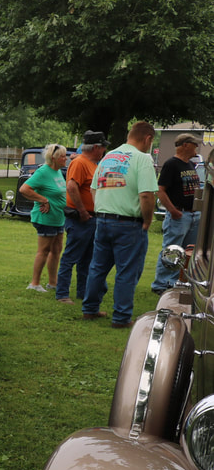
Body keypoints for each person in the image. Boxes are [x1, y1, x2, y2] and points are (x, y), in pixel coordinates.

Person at [81, 121, 158, 328]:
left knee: (97, 267)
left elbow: (94, 188)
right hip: (129, 224)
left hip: (103, 219)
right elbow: (146, 195)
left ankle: (90, 309)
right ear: (148, 139)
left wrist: (103, 209)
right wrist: (148, 220)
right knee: (127, 272)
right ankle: (122, 318)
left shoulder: (108, 157)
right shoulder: (142, 159)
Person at [55, 131, 108, 304]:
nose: (104, 150)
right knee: (71, 257)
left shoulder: (92, 163)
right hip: (81, 219)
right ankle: (62, 294)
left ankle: (82, 292)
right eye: (103, 147)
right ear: (95, 147)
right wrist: (83, 211)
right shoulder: (80, 163)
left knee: (87, 259)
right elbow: (71, 187)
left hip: (91, 219)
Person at [151, 133, 203, 295]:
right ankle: (161, 284)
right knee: (172, 249)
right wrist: (172, 210)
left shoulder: (189, 165)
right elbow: (160, 190)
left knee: (187, 251)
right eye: (194, 144)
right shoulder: (172, 164)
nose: (197, 148)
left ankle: (179, 281)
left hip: (193, 214)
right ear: (185, 145)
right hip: (179, 215)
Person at [20, 144, 69, 292]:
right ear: (53, 158)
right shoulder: (43, 171)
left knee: (57, 249)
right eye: (62, 156)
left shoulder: (58, 172)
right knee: (44, 250)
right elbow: (24, 189)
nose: (65, 158)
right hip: (45, 217)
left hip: (58, 217)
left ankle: (53, 283)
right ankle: (34, 284)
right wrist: (43, 200)